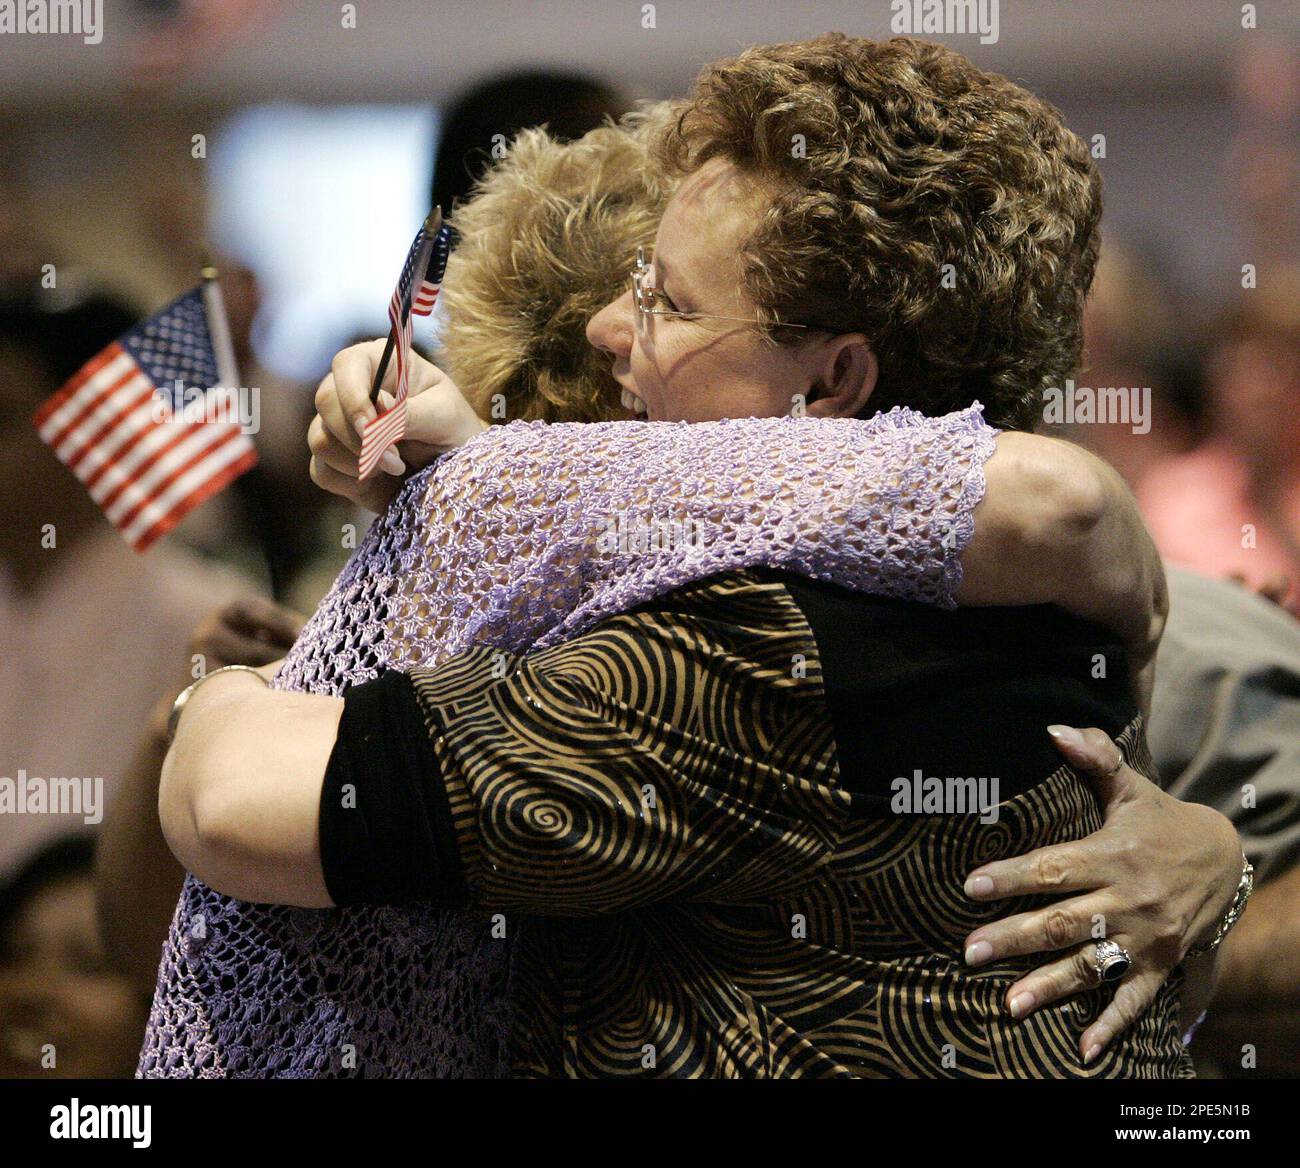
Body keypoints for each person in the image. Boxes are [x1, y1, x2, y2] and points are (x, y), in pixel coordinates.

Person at [147, 37, 1246, 1078]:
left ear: (833, 385)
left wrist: (225, 698)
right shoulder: (1018, 600)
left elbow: (230, 805)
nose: (609, 333)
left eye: (668, 304)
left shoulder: (750, 647)